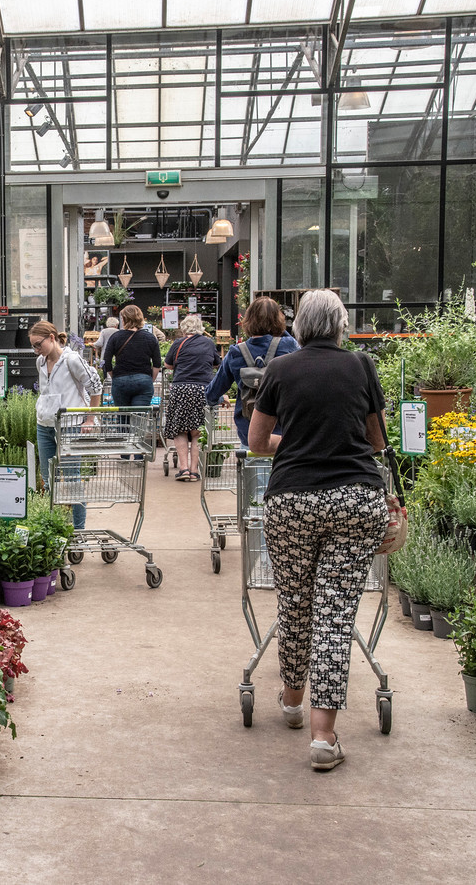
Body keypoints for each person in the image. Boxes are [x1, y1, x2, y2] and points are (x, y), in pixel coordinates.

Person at [247, 290, 388, 772]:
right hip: (355, 500)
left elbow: (258, 442)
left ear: (299, 325)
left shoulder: (279, 371)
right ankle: (323, 737)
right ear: (341, 325)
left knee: (295, 601)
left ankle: (290, 702)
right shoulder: (361, 365)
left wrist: (300, 439)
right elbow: (377, 441)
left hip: (292, 501)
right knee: (334, 613)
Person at [31, 320, 101, 530]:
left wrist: (89, 418)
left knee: (71, 479)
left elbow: (95, 386)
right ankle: (54, 526)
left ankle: (78, 528)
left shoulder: (72, 360)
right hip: (44, 424)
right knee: (48, 477)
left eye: (38, 344)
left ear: (51, 338)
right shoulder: (41, 362)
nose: (36, 350)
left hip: (69, 426)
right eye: (33, 346)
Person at [205, 296, 299, 446]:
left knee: (250, 464)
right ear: (278, 319)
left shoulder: (236, 353)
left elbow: (212, 393)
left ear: (248, 320)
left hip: (249, 435)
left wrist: (218, 400)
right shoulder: (288, 346)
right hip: (284, 434)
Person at [162, 314, 221, 482]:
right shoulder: (209, 343)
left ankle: (184, 469)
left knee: (180, 429)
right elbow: (216, 363)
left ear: (184, 328)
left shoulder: (178, 343)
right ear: (200, 328)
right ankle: (195, 470)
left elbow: (168, 365)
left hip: (181, 389)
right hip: (203, 389)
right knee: (197, 431)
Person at [99, 305, 161, 409]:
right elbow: (157, 363)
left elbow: (106, 361)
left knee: (123, 418)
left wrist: (114, 375)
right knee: (139, 418)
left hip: (120, 380)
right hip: (143, 380)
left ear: (124, 319)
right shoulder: (150, 338)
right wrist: (150, 380)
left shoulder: (115, 337)